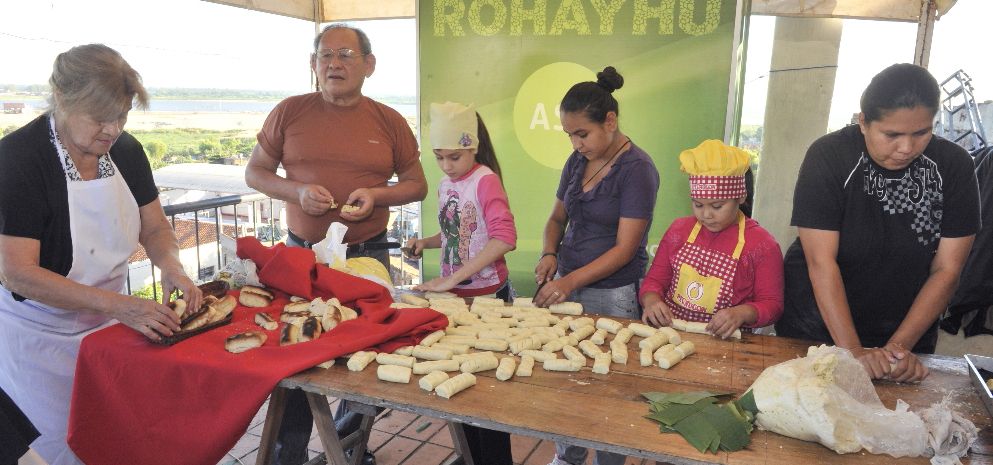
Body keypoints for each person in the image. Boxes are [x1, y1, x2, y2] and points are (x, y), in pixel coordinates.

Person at [0, 44, 202, 465]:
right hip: (37, 341)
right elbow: (17, 273)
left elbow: (155, 227)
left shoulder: (126, 151)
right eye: (100, 117)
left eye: (122, 115)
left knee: (116, 441)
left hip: (107, 332)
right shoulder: (18, 159)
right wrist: (120, 306)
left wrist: (171, 266)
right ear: (62, 98)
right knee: (61, 450)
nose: (113, 129)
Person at [245, 24, 428, 465]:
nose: (334, 64)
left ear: (369, 65)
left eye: (345, 54)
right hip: (301, 258)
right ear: (313, 64)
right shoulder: (289, 111)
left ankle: (347, 447)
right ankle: (288, 456)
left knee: (364, 354)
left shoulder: (389, 120)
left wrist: (376, 196)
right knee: (295, 351)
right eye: (325, 55)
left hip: (368, 256)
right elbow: (255, 173)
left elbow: (417, 185)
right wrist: (297, 191)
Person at [776, 63, 980, 383]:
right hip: (818, 325)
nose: (907, 148)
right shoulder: (829, 156)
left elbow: (947, 269)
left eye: (921, 133)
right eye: (892, 134)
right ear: (863, 122)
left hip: (906, 329)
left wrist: (898, 349)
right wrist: (853, 351)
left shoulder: (955, 166)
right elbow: (821, 262)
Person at [533, 66, 660, 465]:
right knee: (566, 378)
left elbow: (625, 249)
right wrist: (549, 254)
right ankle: (567, 456)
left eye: (582, 134)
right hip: (570, 282)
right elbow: (557, 218)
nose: (576, 143)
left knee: (608, 387)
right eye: (569, 135)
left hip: (613, 294)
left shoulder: (637, 170)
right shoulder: (576, 161)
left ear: (610, 121)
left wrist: (569, 282)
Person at [404, 101, 516, 464]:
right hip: (456, 297)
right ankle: (471, 457)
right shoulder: (446, 184)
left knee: (487, 394)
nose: (446, 166)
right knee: (460, 386)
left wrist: (452, 277)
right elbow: (457, 233)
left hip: (487, 297)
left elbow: (504, 238)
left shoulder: (485, 180)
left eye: (454, 157)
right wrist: (425, 243)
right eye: (439, 157)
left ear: (473, 148)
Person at [639, 140, 784, 337]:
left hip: (725, 342)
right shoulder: (678, 231)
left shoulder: (762, 245)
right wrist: (651, 301)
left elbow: (773, 305)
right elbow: (654, 280)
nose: (706, 215)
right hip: (671, 335)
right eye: (698, 205)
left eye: (717, 206)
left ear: (741, 197)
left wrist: (742, 313)